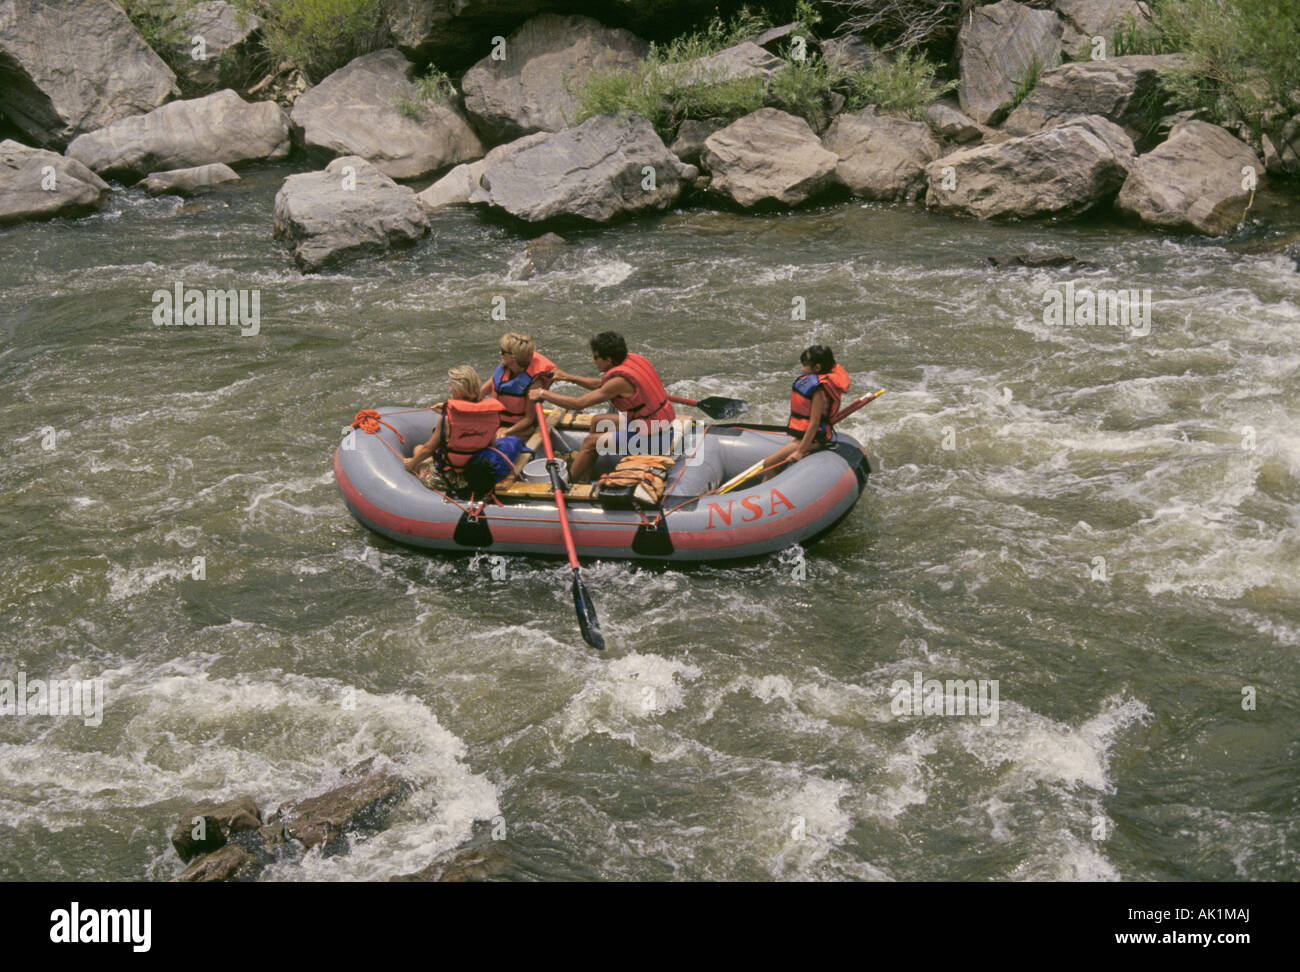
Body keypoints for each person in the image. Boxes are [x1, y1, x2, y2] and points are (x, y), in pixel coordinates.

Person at [528, 331, 675, 484]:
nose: (594, 360)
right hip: (653, 425)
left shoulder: (619, 381)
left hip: (653, 439)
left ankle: (566, 483)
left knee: (590, 442)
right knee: (598, 421)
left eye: (596, 357)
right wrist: (568, 377)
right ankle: (583, 479)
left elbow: (579, 403)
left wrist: (542, 393)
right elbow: (601, 385)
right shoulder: (634, 361)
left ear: (608, 359)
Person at [404, 365, 508, 496]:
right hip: (475, 474)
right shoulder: (492, 414)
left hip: (452, 477)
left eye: (451, 385)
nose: (449, 388)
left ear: (458, 391)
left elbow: (428, 449)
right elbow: (491, 445)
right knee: (428, 456)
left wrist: (411, 463)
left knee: (418, 449)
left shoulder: (447, 420)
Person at [763, 345, 850, 477]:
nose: (802, 369)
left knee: (768, 464)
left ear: (817, 368)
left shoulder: (818, 391)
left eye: (805, 365)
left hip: (815, 439)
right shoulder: (814, 383)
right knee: (776, 466)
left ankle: (766, 494)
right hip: (804, 436)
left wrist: (800, 451)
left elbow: (814, 424)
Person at [482, 332, 556, 438]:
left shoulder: (534, 383)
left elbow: (528, 419)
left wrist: (507, 431)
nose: (500, 353)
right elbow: (480, 394)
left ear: (513, 357)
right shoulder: (502, 370)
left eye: (503, 352)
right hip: (498, 422)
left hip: (521, 428)